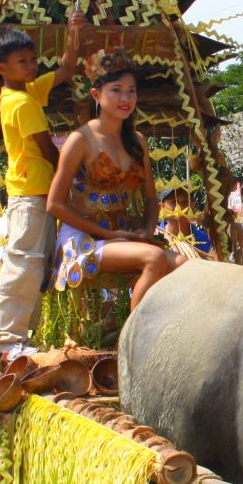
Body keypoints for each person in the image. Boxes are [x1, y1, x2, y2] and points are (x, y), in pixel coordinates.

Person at [47, 48, 186, 308]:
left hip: (125, 236)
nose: (126, 97)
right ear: (96, 95)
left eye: (131, 90)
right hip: (83, 239)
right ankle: (133, 341)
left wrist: (146, 230)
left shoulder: (137, 141)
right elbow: (54, 204)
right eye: (116, 89)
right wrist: (106, 233)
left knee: (185, 267)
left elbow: (150, 197)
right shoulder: (79, 140)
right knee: (154, 259)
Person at [0, 11, 86, 358]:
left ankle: (18, 337)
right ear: (1, 68)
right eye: (22, 62)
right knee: (24, 262)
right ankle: (2, 339)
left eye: (32, 60)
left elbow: (67, 70)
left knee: (37, 265)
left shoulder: (27, 91)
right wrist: (68, 178)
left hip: (36, 194)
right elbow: (46, 149)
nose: (31, 66)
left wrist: (74, 30)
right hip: (30, 194)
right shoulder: (21, 102)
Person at [159, 187, 212, 254]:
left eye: (185, 202)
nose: (180, 207)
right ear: (161, 207)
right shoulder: (153, 239)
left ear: (194, 206)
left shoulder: (208, 241)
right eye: (174, 202)